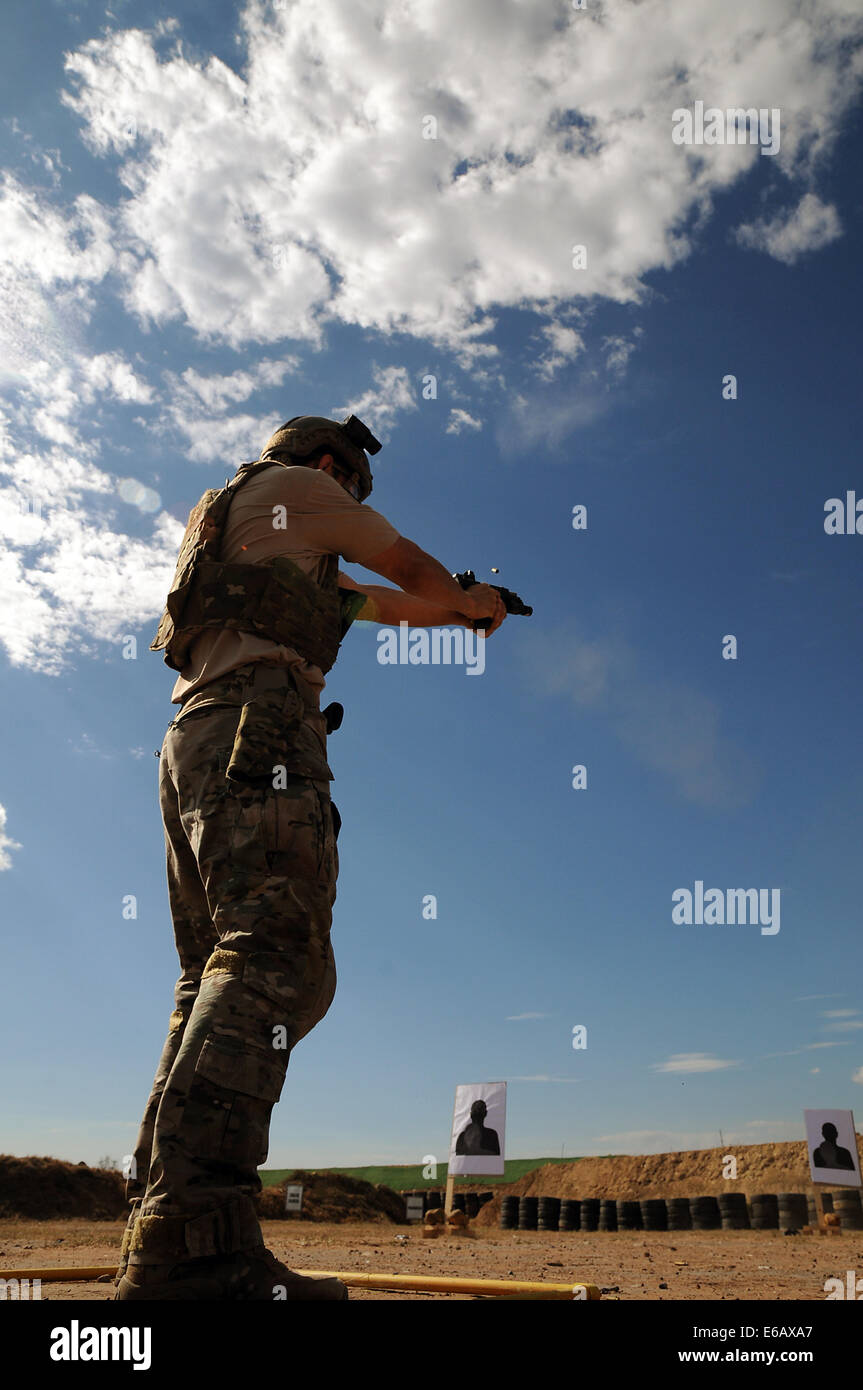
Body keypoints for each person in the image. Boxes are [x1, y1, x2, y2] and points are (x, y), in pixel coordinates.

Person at [115, 414, 506, 1300]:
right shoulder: (304, 490)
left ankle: (160, 1225)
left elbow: (397, 606)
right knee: (279, 959)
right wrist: (467, 596)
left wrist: (466, 609)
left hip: (196, 737)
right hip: (260, 727)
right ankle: (196, 1252)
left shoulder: (249, 534)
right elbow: (409, 570)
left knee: (209, 977)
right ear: (333, 467)